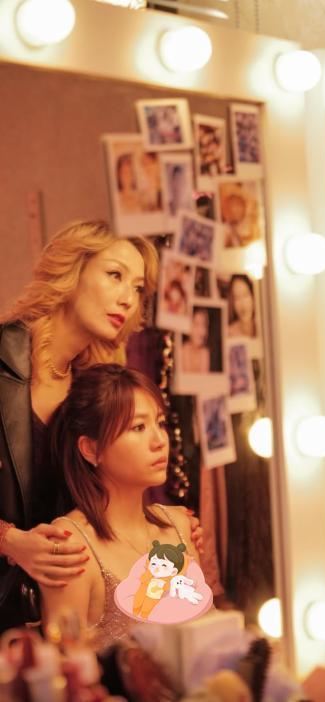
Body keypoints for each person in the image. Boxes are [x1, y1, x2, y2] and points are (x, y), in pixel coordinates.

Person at [0, 220, 202, 632]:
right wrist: (10, 541)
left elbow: (103, 491)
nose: (128, 298)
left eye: (138, 288)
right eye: (114, 275)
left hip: (48, 609)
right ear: (72, 271)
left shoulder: (95, 385)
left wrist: (163, 527)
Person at [41, 364, 201, 650]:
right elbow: (67, 667)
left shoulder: (179, 524)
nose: (159, 441)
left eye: (160, 423)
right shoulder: (72, 544)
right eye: (138, 427)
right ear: (91, 449)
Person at [181, 308, 210, 373]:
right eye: (196, 324)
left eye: (204, 325)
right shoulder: (182, 350)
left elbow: (203, 377)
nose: (201, 330)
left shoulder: (204, 352)